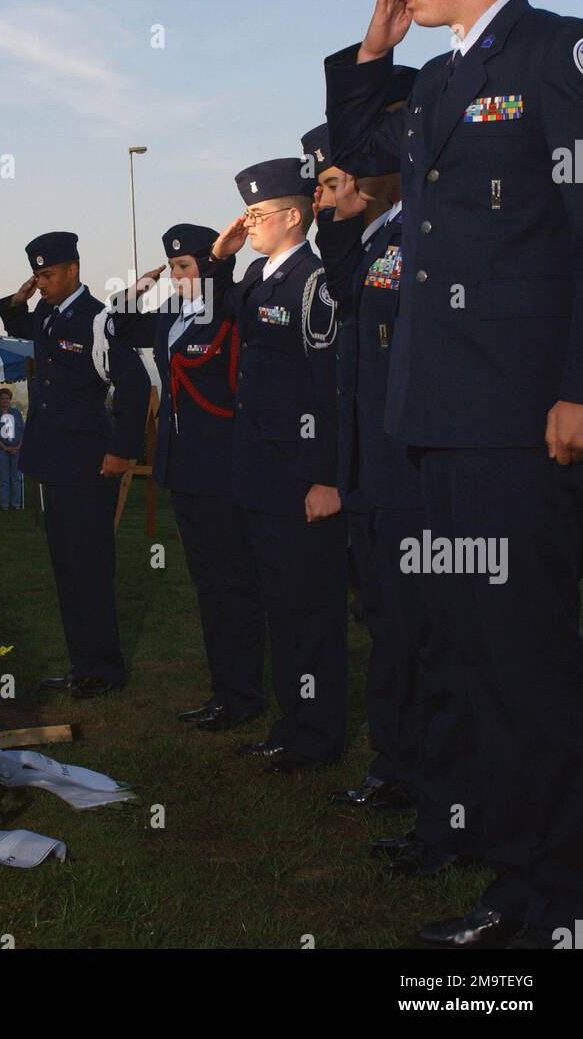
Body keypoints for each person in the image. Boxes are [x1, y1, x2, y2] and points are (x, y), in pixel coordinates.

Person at [324, 0, 583, 948]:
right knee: (470, 656)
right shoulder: (430, 83)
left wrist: (576, 384)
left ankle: (556, 899)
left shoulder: (559, 53)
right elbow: (357, 155)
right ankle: (512, 877)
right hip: (430, 418)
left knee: (526, 661)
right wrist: (372, 55)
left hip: (518, 420)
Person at [310, 110, 446, 877]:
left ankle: (443, 802)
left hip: (409, 478)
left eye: (341, 178)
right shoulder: (369, 245)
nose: (333, 192)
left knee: (423, 640)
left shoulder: (417, 233)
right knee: (388, 634)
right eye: (329, 181)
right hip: (369, 474)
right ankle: (395, 772)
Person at [209, 158, 349, 774]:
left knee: (309, 613)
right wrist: (221, 258)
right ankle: (292, 723)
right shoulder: (261, 279)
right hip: (261, 474)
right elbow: (220, 315)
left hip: (298, 475)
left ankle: (316, 736)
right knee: (280, 610)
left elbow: (328, 385)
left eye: (258, 214)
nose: (249, 223)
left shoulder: (315, 281)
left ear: (293, 216)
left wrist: (324, 475)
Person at [108, 223, 265, 730]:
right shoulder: (172, 315)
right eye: (172, 267)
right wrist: (136, 292)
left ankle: (243, 694)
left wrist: (217, 264)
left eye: (184, 266)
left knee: (232, 582)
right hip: (185, 468)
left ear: (207, 266)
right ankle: (224, 689)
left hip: (223, 466)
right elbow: (119, 329)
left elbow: (223, 294)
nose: (176, 276)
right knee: (209, 584)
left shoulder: (228, 304)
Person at [0, 231, 150, 698]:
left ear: (72, 271)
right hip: (56, 461)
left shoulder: (99, 319)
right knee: (66, 569)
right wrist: (17, 301)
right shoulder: (47, 313)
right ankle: (82, 663)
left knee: (90, 568)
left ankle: (105, 667)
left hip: (89, 462)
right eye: (36, 275)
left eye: (46, 275)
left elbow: (136, 386)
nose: (39, 283)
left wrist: (122, 450)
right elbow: (20, 329)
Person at [0, 387, 24, 511]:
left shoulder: (16, 413)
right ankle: (4, 505)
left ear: (10, 399)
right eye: (2, 398)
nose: (5, 401)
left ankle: (16, 504)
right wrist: (4, 447)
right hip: (1, 450)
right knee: (4, 478)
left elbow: (23, 431)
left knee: (16, 478)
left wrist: (18, 446)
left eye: (7, 398)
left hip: (16, 449)